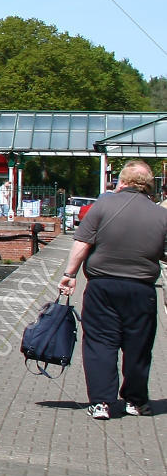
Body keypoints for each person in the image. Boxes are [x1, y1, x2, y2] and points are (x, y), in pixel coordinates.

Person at [57, 159, 167, 419]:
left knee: (99, 343)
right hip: (142, 289)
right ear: (149, 186)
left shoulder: (102, 205)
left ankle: (101, 403)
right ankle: (136, 401)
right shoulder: (161, 214)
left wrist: (69, 275)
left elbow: (82, 243)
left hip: (102, 287)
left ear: (123, 181)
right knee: (138, 346)